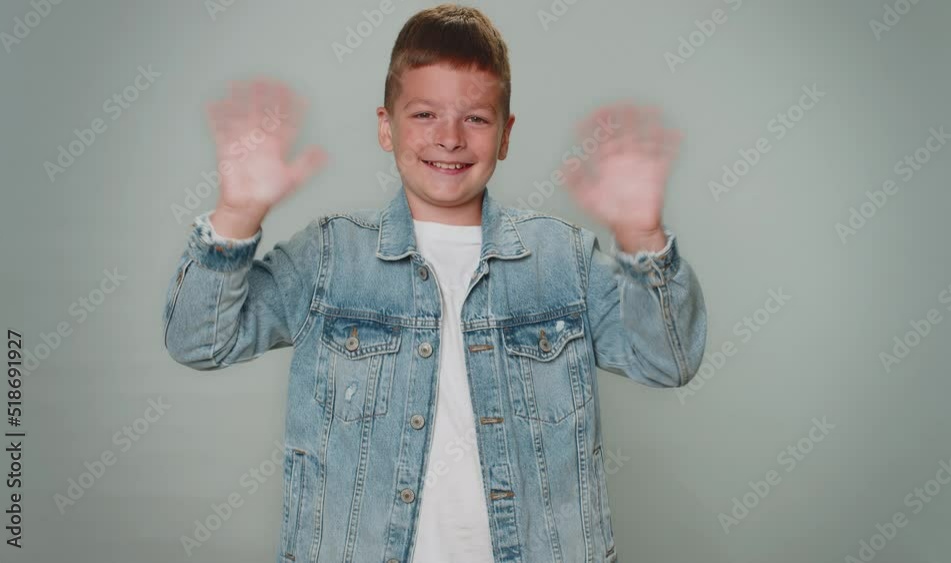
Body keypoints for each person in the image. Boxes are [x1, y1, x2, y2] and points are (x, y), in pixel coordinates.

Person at [162, 4, 707, 562]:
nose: (449, 138)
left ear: (505, 134)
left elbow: (667, 361)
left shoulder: (562, 259)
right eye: (424, 114)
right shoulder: (328, 256)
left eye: (475, 118)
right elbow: (199, 341)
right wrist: (236, 214)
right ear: (385, 125)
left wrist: (643, 235)